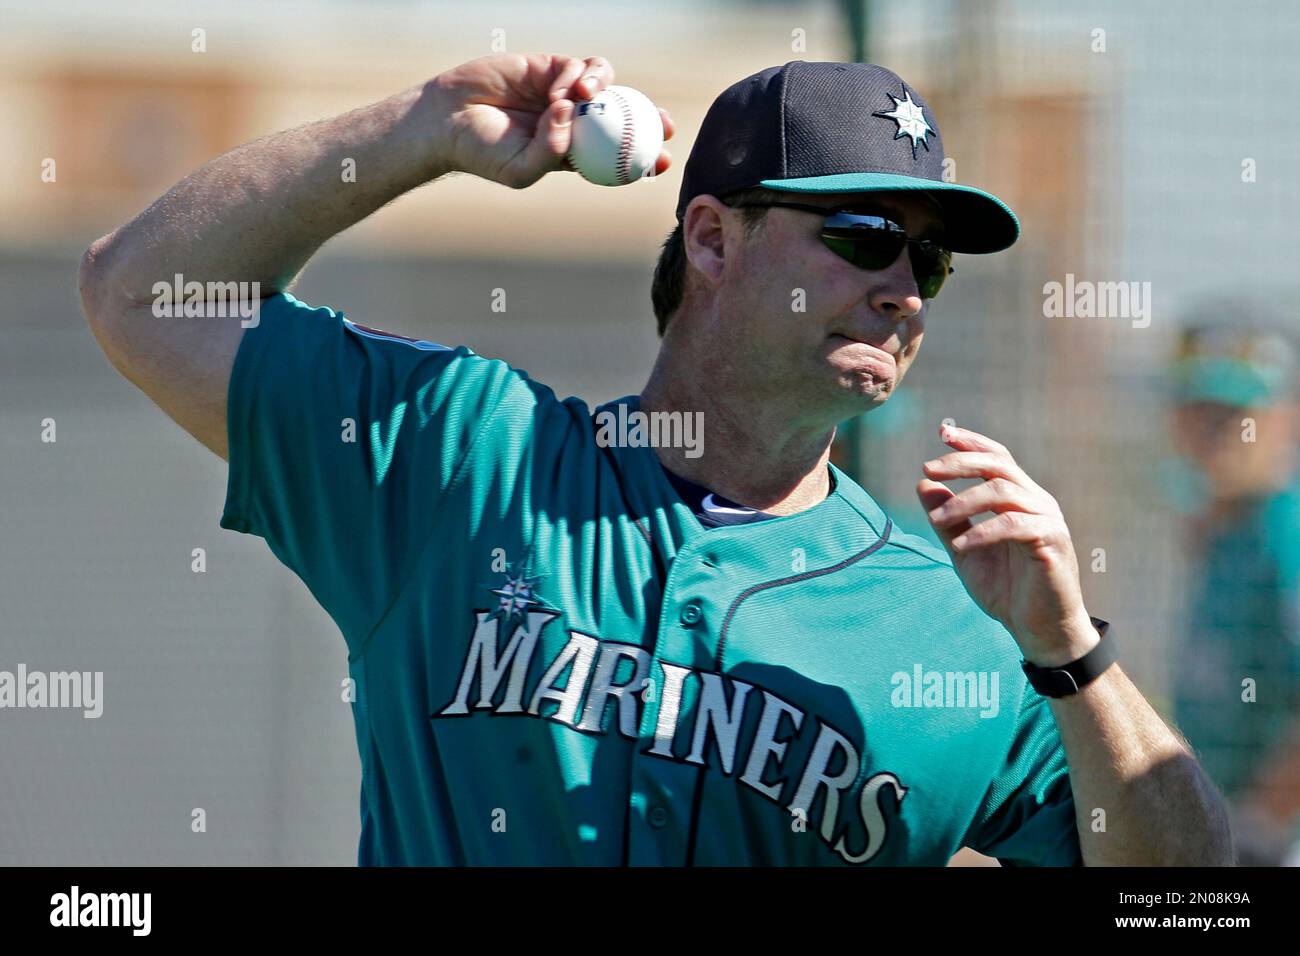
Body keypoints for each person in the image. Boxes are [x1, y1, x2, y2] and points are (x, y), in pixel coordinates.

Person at [78, 53, 1230, 865]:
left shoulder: (963, 631)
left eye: (927, 263)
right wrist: (421, 130)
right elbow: (139, 293)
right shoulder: (461, 459)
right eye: (863, 236)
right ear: (713, 238)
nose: (899, 286)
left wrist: (1069, 654)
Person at [1165, 318, 1300, 864]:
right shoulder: (1225, 532)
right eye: (1201, 411)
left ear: (1285, 420)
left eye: (1237, 415)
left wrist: (1258, 827)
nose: (1216, 432)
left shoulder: (1285, 534)